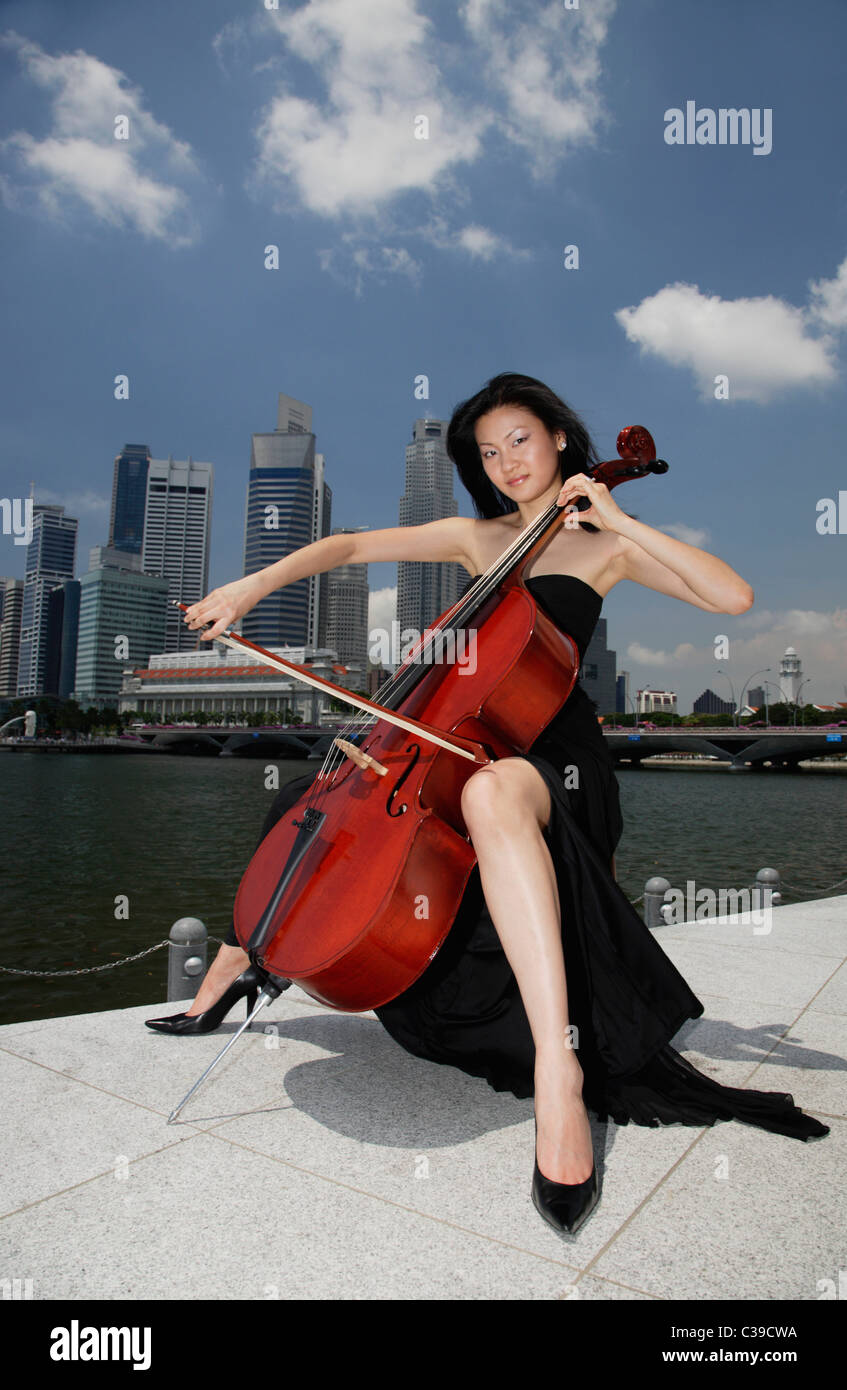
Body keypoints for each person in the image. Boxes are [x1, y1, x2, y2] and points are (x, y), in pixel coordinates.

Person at [146, 373, 830, 1237]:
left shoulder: (605, 543)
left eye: (519, 438)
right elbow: (350, 549)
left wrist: (614, 517)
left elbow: (730, 598)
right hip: (456, 736)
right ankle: (242, 960)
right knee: (318, 803)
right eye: (487, 450)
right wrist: (250, 588)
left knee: (490, 790)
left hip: (551, 758)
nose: (506, 460)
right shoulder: (478, 539)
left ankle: (558, 1074)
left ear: (556, 437)